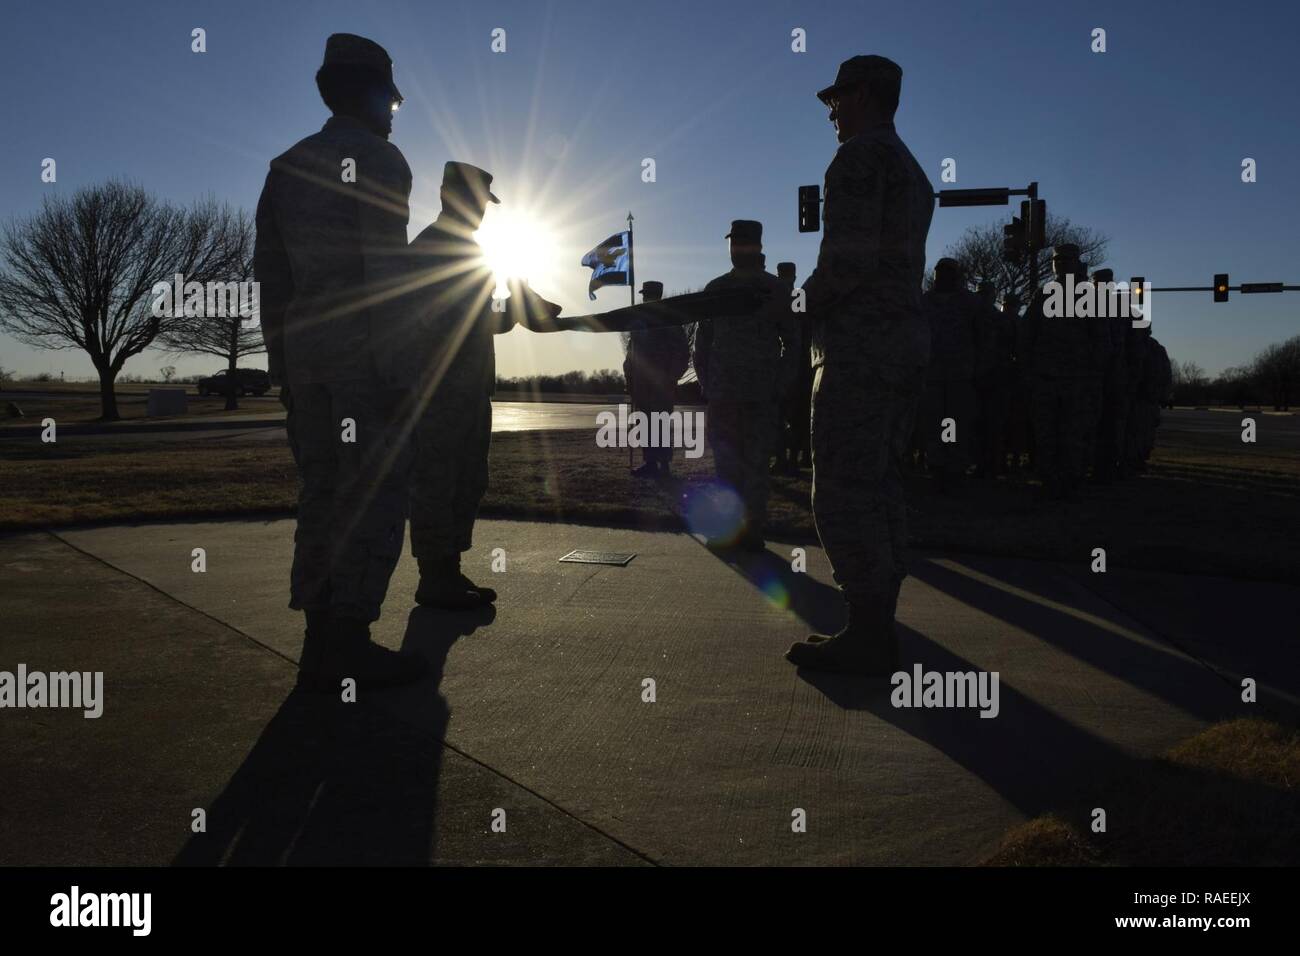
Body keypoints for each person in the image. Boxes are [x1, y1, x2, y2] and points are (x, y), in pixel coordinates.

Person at [255, 33, 426, 691]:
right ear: (374, 94)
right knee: (375, 488)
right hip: (365, 358)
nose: (392, 112)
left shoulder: (288, 164)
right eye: (390, 99)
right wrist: (396, 368)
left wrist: (282, 367)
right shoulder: (378, 158)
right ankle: (348, 637)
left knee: (321, 490)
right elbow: (385, 270)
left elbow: (270, 275)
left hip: (307, 357)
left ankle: (319, 631)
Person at [784, 55, 933, 675]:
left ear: (865, 94)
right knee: (880, 486)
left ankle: (868, 631)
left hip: (861, 347)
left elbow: (847, 263)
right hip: (900, 346)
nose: (832, 113)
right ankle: (877, 624)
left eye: (837, 100)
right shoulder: (911, 169)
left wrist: (793, 304)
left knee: (843, 491)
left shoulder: (859, 159)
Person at [407, 162, 560, 609]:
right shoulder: (435, 248)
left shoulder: (469, 249)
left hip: (469, 386)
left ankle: (447, 572)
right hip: (439, 389)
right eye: (473, 200)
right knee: (438, 481)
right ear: (447, 196)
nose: (479, 211)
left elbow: (482, 320)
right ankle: (435, 577)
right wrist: (516, 308)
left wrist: (518, 307)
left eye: (482, 204)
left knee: (467, 479)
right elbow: (439, 318)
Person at [696, 220, 795, 550]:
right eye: (733, 243)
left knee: (755, 467)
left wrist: (781, 384)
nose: (736, 249)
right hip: (724, 392)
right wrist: (707, 382)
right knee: (725, 466)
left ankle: (752, 532)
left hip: (761, 393)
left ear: (757, 246)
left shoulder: (777, 290)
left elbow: (793, 343)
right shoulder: (715, 288)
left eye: (743, 243)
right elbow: (703, 341)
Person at [1019, 244, 1108, 499]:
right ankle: (1049, 478)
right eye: (1057, 260)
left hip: (1078, 379)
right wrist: (1027, 367)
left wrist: (1094, 372)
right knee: (1046, 432)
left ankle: (1072, 479)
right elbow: (1028, 332)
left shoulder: (1088, 295)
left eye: (1066, 260)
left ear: (1075, 262)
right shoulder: (1044, 293)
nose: (1061, 264)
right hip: (1046, 376)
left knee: (1074, 432)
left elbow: (1101, 338)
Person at [917, 258, 980, 491]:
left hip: (959, 375)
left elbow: (983, 336)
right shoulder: (924, 302)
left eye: (947, 272)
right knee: (934, 422)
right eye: (939, 272)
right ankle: (936, 465)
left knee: (953, 423)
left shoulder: (970, 303)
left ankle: (954, 466)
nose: (942, 276)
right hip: (931, 374)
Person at [623, 281, 690, 478]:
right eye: (645, 295)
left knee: (659, 423)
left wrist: (671, 377)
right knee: (645, 423)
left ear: (656, 296)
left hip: (662, 383)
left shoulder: (669, 321)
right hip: (641, 383)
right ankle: (650, 463)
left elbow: (682, 352)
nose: (645, 299)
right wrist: (629, 376)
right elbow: (631, 353)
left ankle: (663, 465)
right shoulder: (639, 322)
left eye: (648, 295)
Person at [774, 261, 812, 475]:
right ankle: (793, 457)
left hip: (794, 363)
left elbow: (799, 327)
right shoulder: (794, 296)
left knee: (791, 415)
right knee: (795, 415)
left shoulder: (794, 297)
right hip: (795, 363)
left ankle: (789, 458)